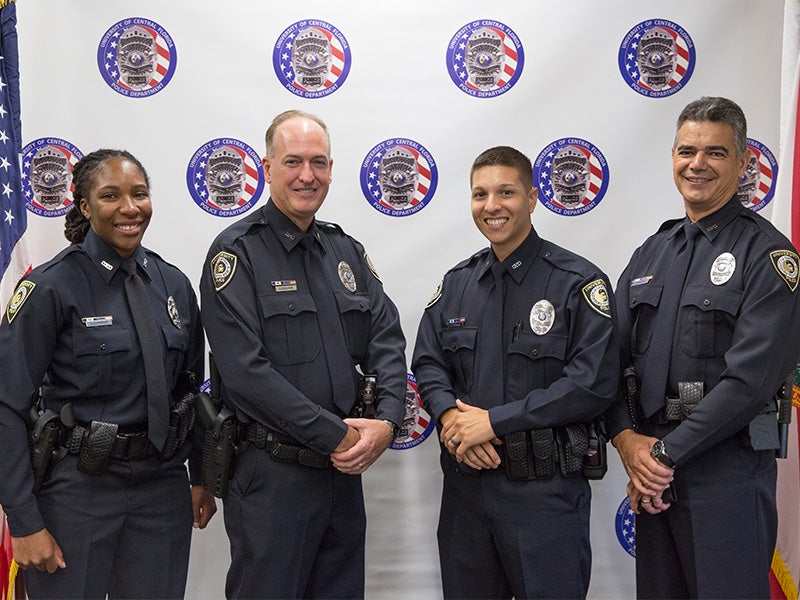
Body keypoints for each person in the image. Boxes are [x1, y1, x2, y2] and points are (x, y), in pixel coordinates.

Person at [200, 109, 407, 599]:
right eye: (293, 162)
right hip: (273, 478)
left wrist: (389, 421)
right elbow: (246, 374)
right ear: (267, 168)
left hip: (341, 479)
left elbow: (387, 339)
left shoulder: (346, 252)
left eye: (318, 163)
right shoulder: (237, 254)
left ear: (332, 169)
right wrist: (337, 436)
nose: (307, 176)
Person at [606, 96, 800, 599]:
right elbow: (609, 360)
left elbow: (750, 382)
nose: (697, 164)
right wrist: (628, 441)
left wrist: (665, 455)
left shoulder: (768, 255)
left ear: (743, 163)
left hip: (726, 473)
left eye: (715, 153)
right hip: (653, 473)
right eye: (686, 150)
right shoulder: (652, 251)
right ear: (672, 156)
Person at [0, 149, 217, 598]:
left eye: (140, 194)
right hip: (77, 492)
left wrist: (200, 476)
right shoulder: (49, 287)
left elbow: (191, 390)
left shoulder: (172, 284)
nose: (130, 207)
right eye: (110, 196)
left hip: (161, 488)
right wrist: (23, 520)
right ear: (84, 206)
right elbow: (6, 405)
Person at [411, 146, 619, 599]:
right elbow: (427, 362)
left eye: (505, 192)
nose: (491, 206)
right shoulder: (457, 283)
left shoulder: (576, 282)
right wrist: (450, 420)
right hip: (467, 493)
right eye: (479, 194)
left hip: (543, 495)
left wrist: (491, 423)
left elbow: (592, 383)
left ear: (532, 196)